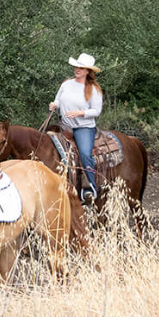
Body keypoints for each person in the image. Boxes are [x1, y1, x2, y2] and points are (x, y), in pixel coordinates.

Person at [49, 52, 103, 205]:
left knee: (85, 153)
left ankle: (90, 188)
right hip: (63, 125)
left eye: (81, 68)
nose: (77, 69)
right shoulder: (66, 84)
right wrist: (54, 105)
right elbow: (58, 99)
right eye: (76, 67)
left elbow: (96, 111)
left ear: (87, 71)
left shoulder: (93, 89)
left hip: (83, 128)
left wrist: (80, 113)